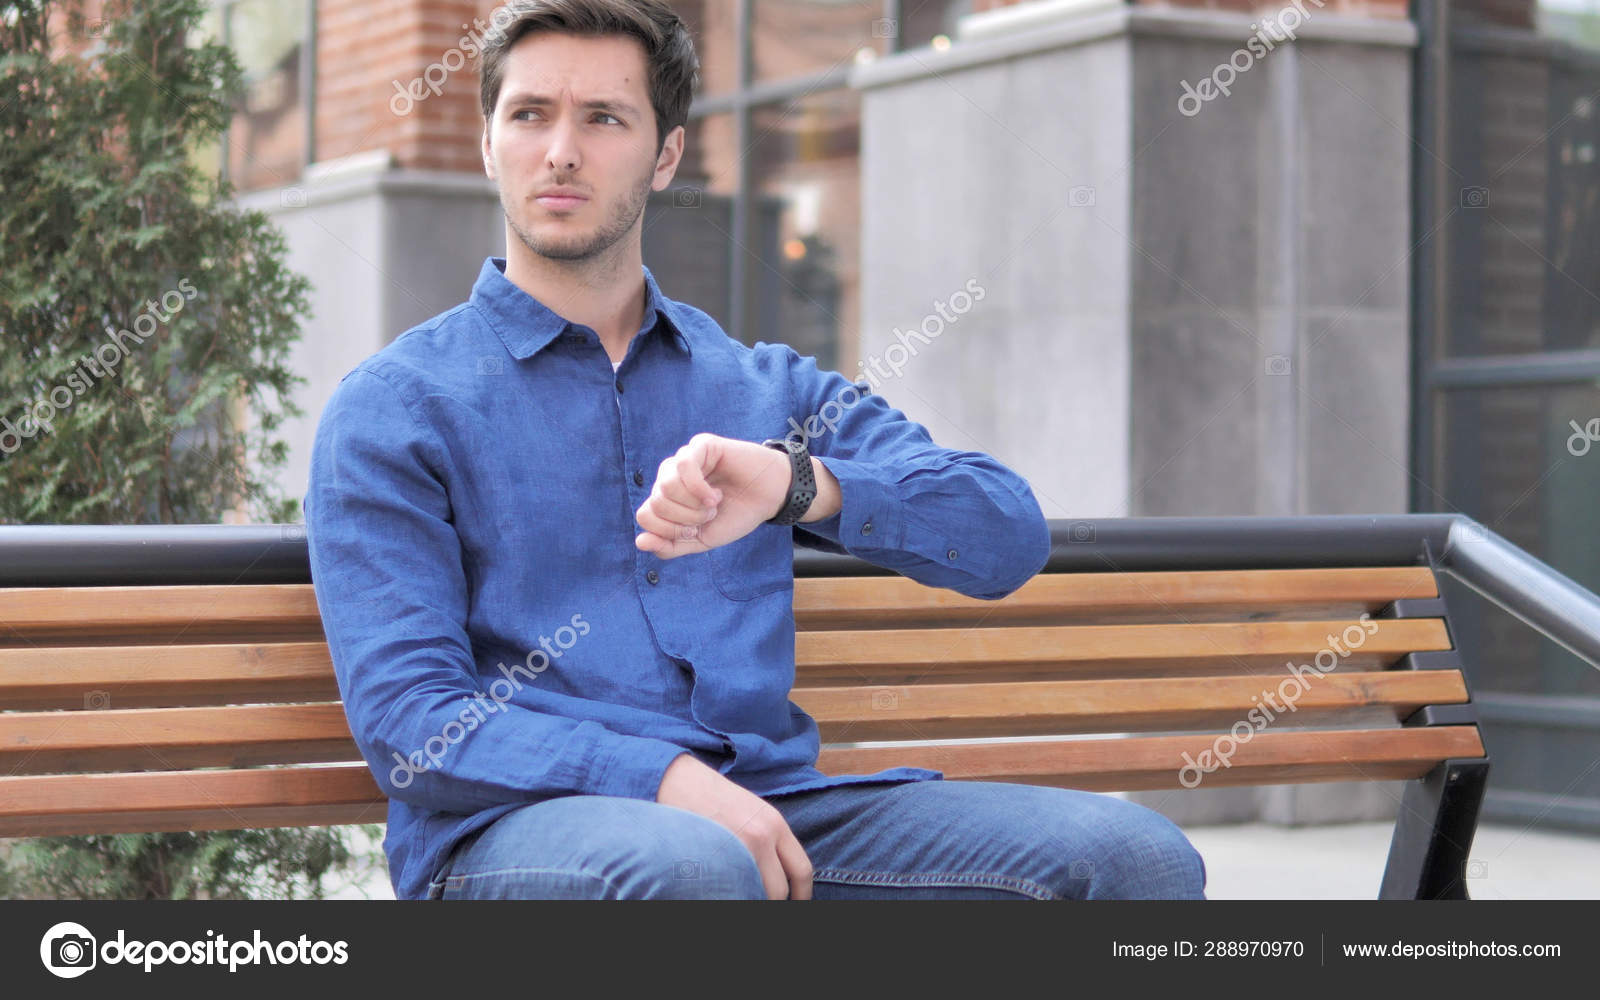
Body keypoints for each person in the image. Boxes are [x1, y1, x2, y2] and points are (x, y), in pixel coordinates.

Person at [304, 0, 1206, 901]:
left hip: (778, 813)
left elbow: (1008, 532)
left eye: (604, 118)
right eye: (530, 114)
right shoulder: (397, 410)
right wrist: (663, 780)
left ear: (666, 157)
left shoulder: (764, 389)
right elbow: (414, 722)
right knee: (694, 868)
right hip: (519, 832)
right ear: (488, 142)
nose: (561, 151)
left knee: (1138, 859)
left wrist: (798, 484)